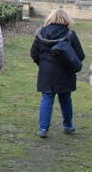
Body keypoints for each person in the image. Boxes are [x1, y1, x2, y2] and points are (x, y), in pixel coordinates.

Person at [30, 7, 85, 138]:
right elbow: (80, 55)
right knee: (65, 99)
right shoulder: (70, 35)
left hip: (46, 71)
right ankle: (68, 125)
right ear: (66, 19)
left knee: (47, 99)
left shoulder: (41, 33)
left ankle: (43, 128)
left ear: (50, 18)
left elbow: (34, 53)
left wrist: (42, 63)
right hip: (65, 71)